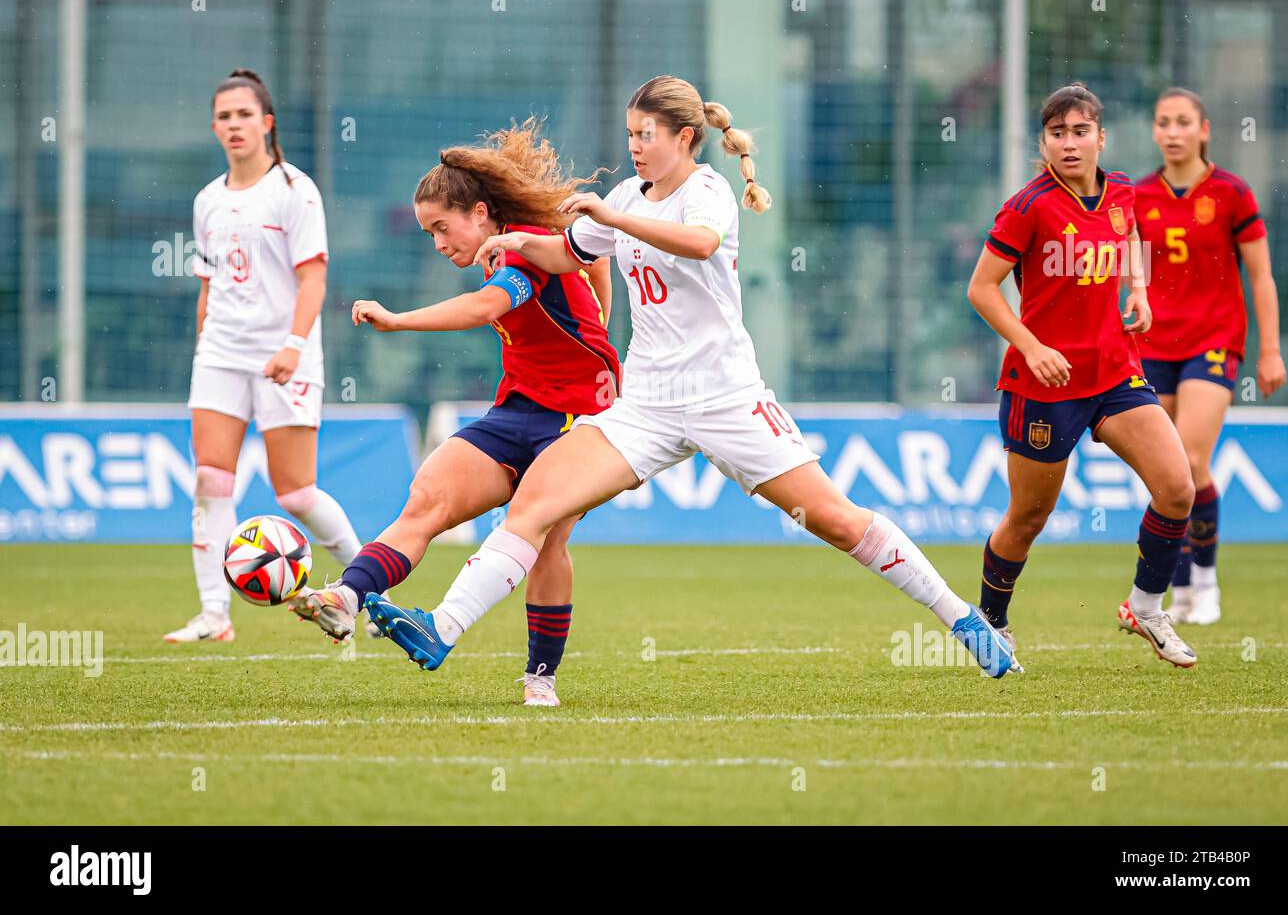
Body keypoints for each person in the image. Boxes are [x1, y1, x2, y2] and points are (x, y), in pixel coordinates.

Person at [364, 74, 1020, 681]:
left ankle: (963, 617)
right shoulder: (624, 196)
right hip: (645, 405)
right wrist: (513, 243)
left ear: (685, 138)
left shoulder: (705, 192)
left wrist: (611, 222)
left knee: (839, 522)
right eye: (629, 134)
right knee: (535, 505)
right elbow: (568, 252)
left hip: (724, 398)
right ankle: (439, 628)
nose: (635, 146)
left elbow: (699, 243)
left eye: (645, 134)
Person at [288, 118, 620, 707]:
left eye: (442, 228)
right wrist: (597, 311)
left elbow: (483, 306)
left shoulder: (523, 252)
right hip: (518, 407)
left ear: (482, 214)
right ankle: (346, 595)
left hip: (581, 416)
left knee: (546, 539)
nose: (438, 243)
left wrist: (397, 320)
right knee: (427, 500)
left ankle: (539, 681)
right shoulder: (517, 246)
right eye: (428, 233)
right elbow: (592, 260)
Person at [966, 82, 1197, 668]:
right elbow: (981, 288)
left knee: (1177, 488)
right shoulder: (1027, 207)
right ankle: (991, 621)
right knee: (1028, 519)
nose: (1069, 144)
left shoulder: (1121, 191)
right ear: (1043, 142)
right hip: (1042, 384)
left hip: (1116, 373)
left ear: (1101, 137)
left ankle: (1145, 607)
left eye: (1079, 132)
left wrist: (1139, 289)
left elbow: (1132, 237)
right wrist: (1031, 344)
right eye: (1056, 133)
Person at [167, 69, 366, 644]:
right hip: (221, 355)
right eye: (224, 117)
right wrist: (205, 346)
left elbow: (314, 279)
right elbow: (209, 287)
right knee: (210, 479)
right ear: (214, 126)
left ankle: (369, 591)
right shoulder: (207, 200)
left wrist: (293, 345)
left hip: (287, 353)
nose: (234, 125)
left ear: (267, 123)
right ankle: (213, 615)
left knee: (296, 492)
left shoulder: (294, 190)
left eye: (244, 115)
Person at [1135, 87, 1287, 625]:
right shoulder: (1136, 197)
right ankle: (1179, 592)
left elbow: (1261, 276)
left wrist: (1270, 350)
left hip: (1213, 343)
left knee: (1190, 459)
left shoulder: (1231, 193)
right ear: (1154, 131)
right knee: (1165, 475)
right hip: (1151, 346)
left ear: (1204, 130)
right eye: (1162, 123)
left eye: (1182, 122)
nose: (1172, 132)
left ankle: (1205, 582)